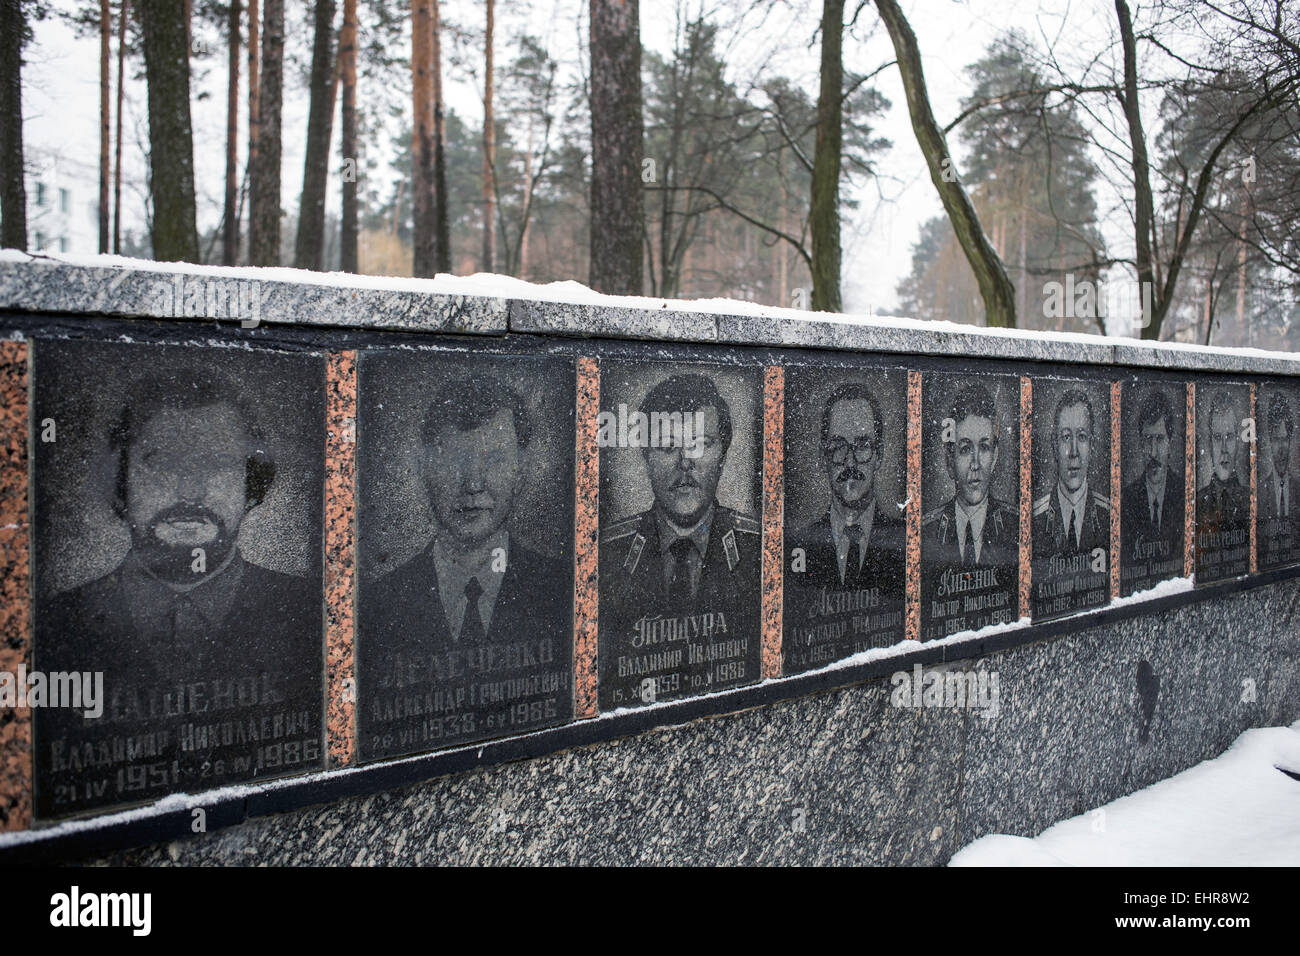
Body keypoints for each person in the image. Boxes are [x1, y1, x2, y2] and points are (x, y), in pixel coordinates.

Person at [39, 371, 317, 681]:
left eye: (217, 462)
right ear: (120, 483)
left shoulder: (314, 611)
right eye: (161, 462)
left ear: (251, 486)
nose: (190, 491)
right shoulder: (50, 623)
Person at [360, 374, 568, 671]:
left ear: (521, 472)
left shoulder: (561, 588)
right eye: (454, 459)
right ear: (425, 470)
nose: (473, 484)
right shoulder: (379, 601)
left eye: (494, 459)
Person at [601, 374, 760, 617]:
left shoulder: (758, 548)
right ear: (646, 458)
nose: (685, 463)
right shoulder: (609, 552)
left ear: (723, 458)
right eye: (667, 446)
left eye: (700, 444)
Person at [787, 382, 904, 595]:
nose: (850, 463)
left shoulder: (904, 540)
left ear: (879, 455)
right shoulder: (799, 546)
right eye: (839, 447)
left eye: (862, 446)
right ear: (824, 457)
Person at [922, 382, 1018, 568]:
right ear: (950, 460)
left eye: (984, 447)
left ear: (995, 456)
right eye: (965, 449)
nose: (975, 465)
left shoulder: (1015, 525)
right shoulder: (927, 532)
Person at [1033, 388, 1110, 557]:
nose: (1073, 452)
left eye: (1082, 437)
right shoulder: (1035, 518)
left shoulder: (1108, 516)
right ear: (1054, 445)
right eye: (1066, 437)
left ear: (1092, 444)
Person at [1120, 389, 1184, 557]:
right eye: (1148, 440)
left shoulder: (1183, 494)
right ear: (1141, 444)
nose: (1153, 453)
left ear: (1170, 443)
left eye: (1160, 439)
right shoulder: (1126, 499)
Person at [1197, 389, 1249, 532]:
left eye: (1230, 437)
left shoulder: (1249, 500)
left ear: (1238, 442)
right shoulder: (1197, 503)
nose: (1224, 449)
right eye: (1218, 438)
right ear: (1210, 444)